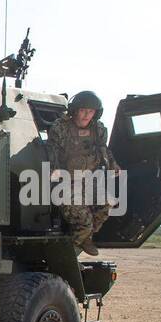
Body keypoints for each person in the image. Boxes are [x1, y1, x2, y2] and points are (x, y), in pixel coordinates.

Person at [47, 90, 120, 256]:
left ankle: (84, 238)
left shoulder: (98, 129)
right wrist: (54, 169)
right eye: (83, 110)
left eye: (91, 111)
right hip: (67, 182)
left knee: (107, 204)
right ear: (75, 110)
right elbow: (51, 150)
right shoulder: (61, 127)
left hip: (89, 180)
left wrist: (113, 165)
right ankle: (71, 250)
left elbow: (103, 150)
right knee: (85, 221)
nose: (87, 115)